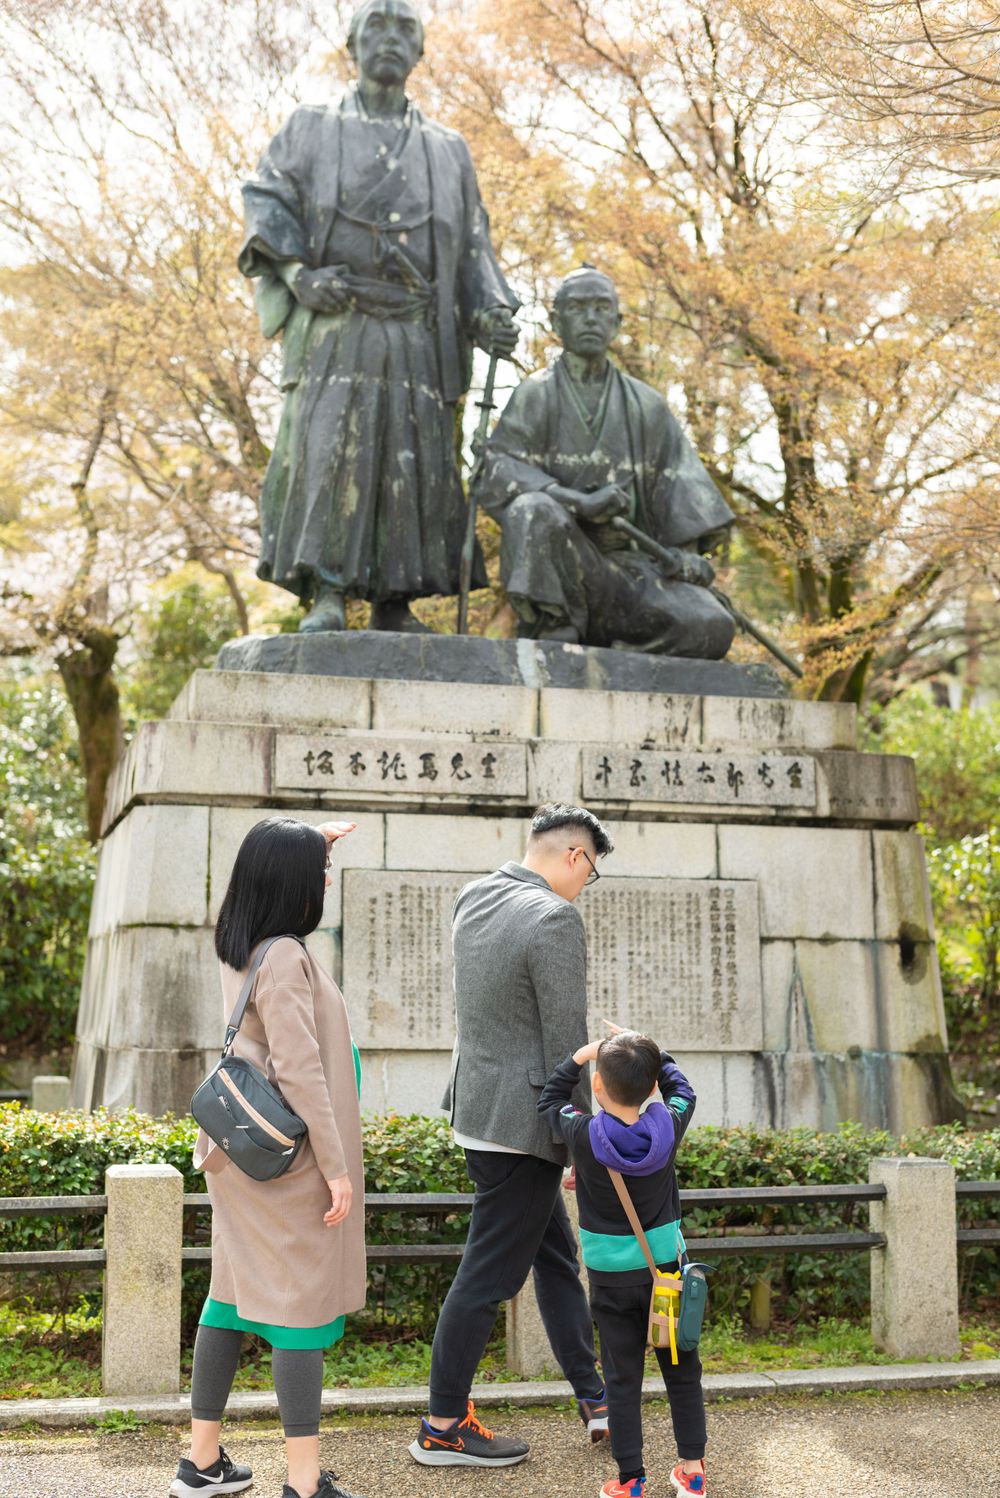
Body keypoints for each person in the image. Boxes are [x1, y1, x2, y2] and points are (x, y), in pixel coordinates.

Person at [239, 0, 519, 634]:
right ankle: (329, 592)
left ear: (420, 53)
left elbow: (474, 244)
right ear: (352, 45)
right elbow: (267, 198)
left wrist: (493, 310)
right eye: (377, 27)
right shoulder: (310, 127)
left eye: (406, 31)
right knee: (329, 447)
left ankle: (397, 600)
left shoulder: (448, 150)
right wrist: (295, 275)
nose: (390, 39)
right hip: (337, 320)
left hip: (418, 329)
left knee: (412, 456)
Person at [409, 803, 614, 1468]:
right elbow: (565, 1042)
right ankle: (442, 1427)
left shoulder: (476, 895)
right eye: (590, 871)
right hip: (527, 1127)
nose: (585, 884)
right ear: (575, 857)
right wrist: (578, 1135)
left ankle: (594, 1396)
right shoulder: (555, 918)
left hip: (478, 1113)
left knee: (554, 1256)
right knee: (486, 1278)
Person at [170, 817, 366, 1498]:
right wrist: (336, 1167)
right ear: (290, 885)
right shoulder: (284, 955)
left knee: (228, 1299)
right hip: (292, 1162)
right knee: (299, 1311)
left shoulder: (240, 945)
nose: (327, 880)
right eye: (318, 871)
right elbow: (301, 1068)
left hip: (243, 1155)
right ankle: (305, 1484)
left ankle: (201, 1462)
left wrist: (310, 839)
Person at [476, 266, 735, 657]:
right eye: (578, 308)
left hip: (630, 574)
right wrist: (577, 502)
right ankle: (557, 625)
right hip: (566, 565)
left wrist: (689, 556)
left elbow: (683, 493)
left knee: (712, 626)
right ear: (556, 320)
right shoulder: (535, 395)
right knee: (532, 508)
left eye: (601, 308)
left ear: (618, 320)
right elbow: (497, 470)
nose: (591, 318)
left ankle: (619, 655)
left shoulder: (647, 406)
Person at [537, 1026, 706, 1498]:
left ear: (596, 1085)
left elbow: (550, 1099)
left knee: (622, 1378)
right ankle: (692, 1472)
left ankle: (631, 1481)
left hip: (612, 1281)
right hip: (665, 1275)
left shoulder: (585, 1133)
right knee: (681, 1371)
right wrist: (653, 1048)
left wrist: (581, 1055)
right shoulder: (668, 1124)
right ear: (652, 1085)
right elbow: (683, 1089)